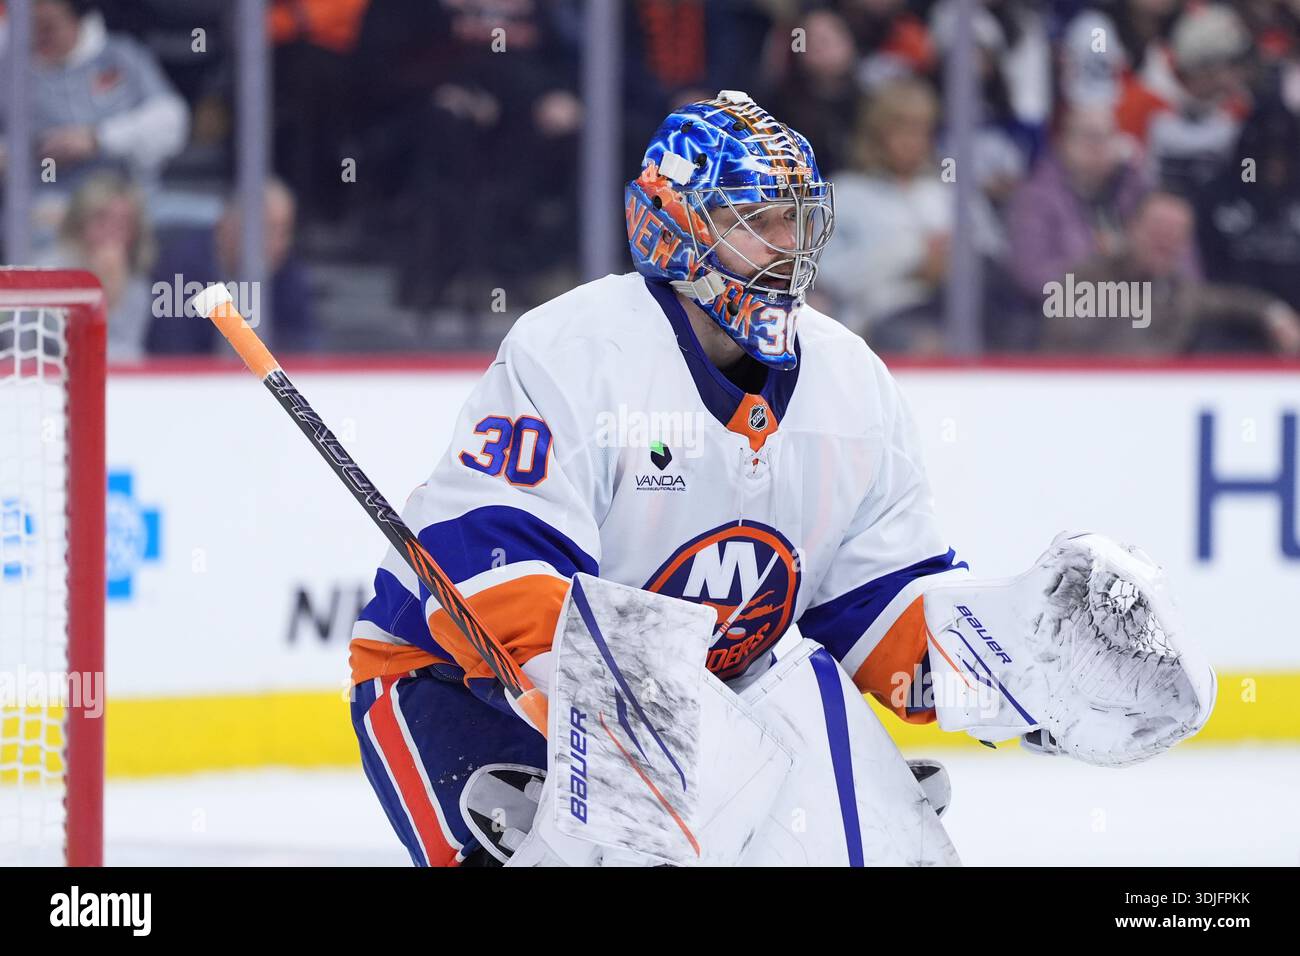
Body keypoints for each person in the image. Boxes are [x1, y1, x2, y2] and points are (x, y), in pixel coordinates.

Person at [347, 91, 1213, 867]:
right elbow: (494, 572)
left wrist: (1015, 680)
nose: (786, 247)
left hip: (711, 712)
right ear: (672, 226)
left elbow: (877, 613)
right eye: (753, 219)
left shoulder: (851, 379)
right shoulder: (575, 352)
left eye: (796, 220)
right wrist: (617, 718)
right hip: (463, 686)